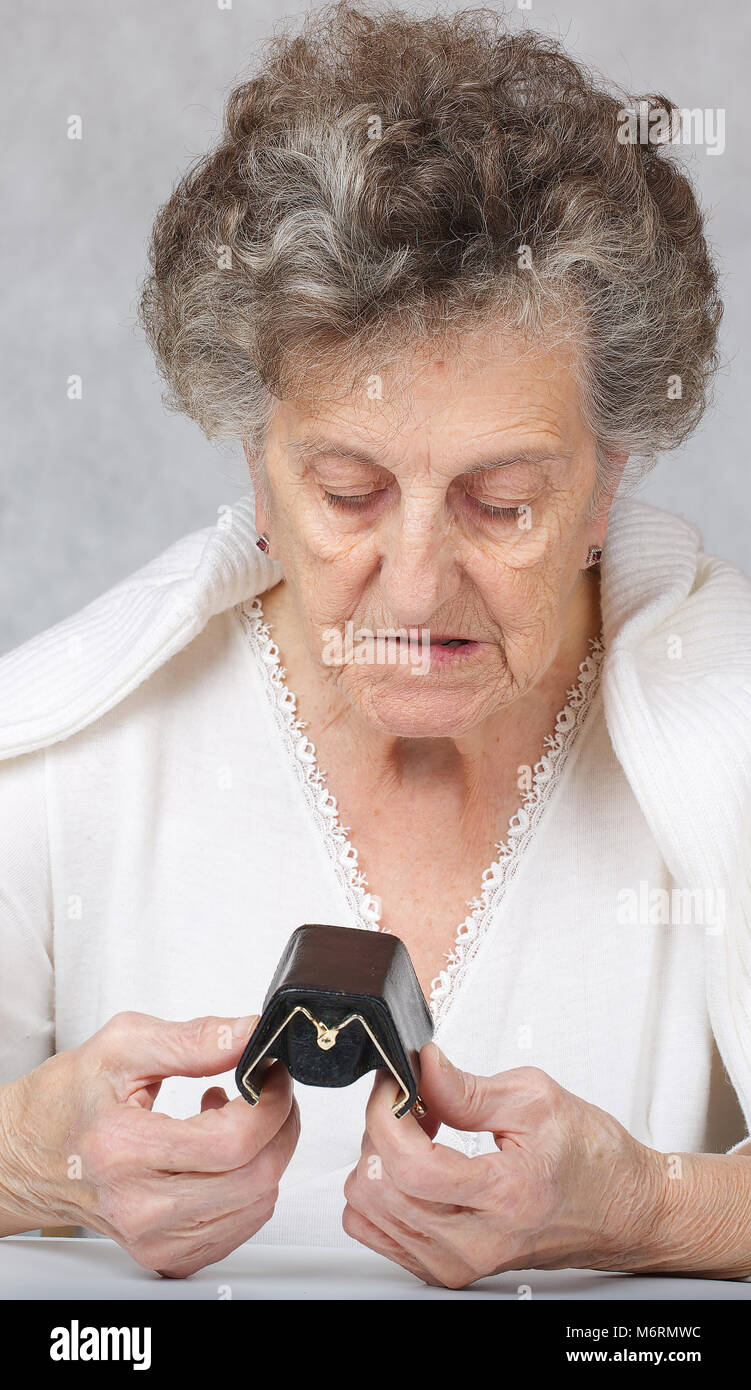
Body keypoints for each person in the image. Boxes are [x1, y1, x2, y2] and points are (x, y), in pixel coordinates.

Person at [1, 5, 751, 1288]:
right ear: (255, 456)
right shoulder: (66, 759)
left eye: (501, 502)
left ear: (607, 480)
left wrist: (650, 1207)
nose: (415, 582)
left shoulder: (724, 731)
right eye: (347, 491)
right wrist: (29, 1157)